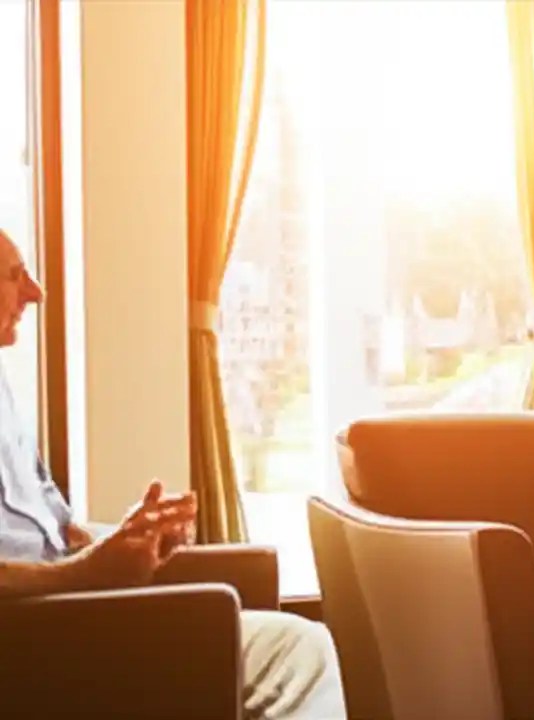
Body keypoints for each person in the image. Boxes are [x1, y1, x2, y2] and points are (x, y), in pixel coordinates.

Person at [0, 229, 347, 719]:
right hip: (30, 638)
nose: (36, 292)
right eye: (15, 275)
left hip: (67, 607)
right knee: (297, 650)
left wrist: (127, 538)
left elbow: (55, 531)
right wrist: (87, 571)